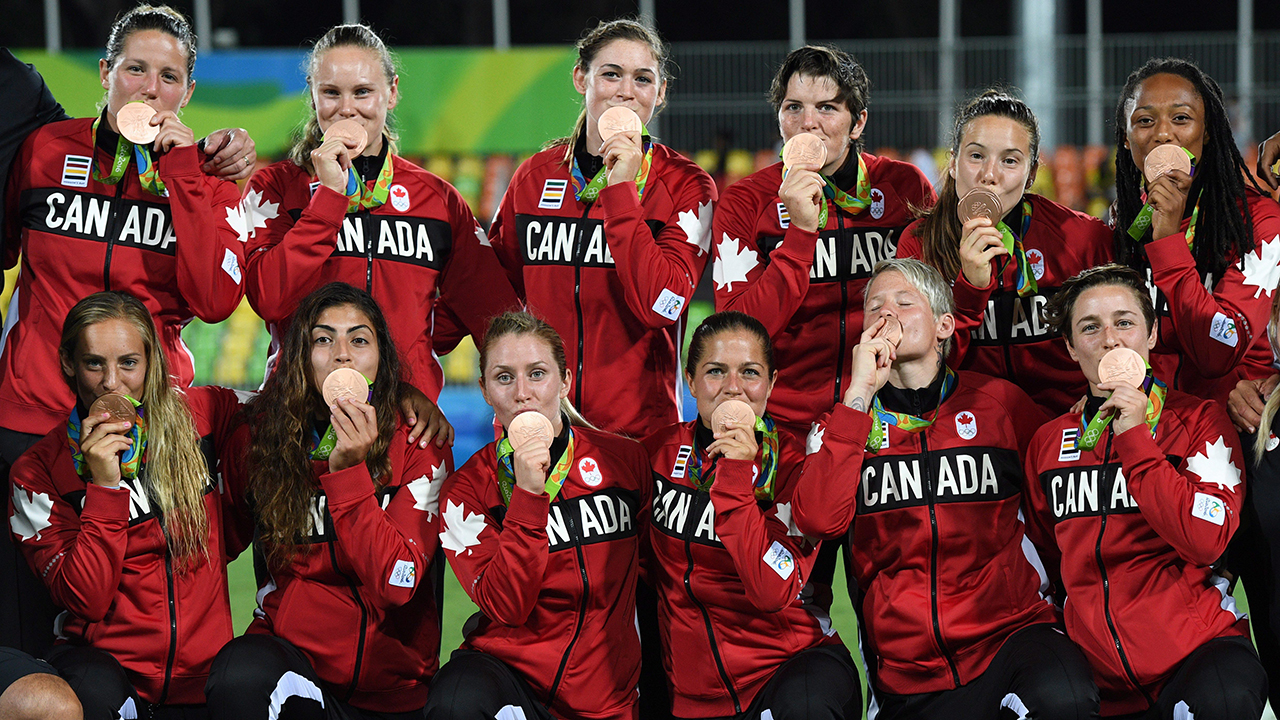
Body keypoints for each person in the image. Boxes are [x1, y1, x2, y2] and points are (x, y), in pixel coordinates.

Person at [0, 7, 256, 655]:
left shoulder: (205, 182)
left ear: (189, 93)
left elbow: (217, 297)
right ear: (105, 73)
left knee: (127, 639)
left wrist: (185, 176)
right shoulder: (46, 151)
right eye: (134, 68)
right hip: (31, 427)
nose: (149, 88)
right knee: (21, 631)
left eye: (169, 76)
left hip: (144, 434)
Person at [792, 258, 1099, 719]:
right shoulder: (842, 426)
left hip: (1013, 640)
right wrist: (858, 393)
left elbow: (1056, 512)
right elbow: (816, 518)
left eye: (903, 302)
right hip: (907, 671)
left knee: (1066, 698)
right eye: (874, 307)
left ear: (944, 326)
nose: (886, 316)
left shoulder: (1001, 405)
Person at [1024, 264, 1267, 718]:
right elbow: (1047, 561)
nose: (1111, 340)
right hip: (1096, 675)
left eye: (1124, 322)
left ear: (1151, 335)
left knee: (1226, 700)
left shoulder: (1200, 422)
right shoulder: (1048, 444)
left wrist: (1135, 436)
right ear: (1070, 347)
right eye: (1090, 328)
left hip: (1200, 654)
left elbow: (1206, 538)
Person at [204, 282, 451, 720]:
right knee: (237, 674)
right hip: (295, 670)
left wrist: (349, 476)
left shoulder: (417, 440)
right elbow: (212, 548)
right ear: (300, 356)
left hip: (394, 691)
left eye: (359, 339)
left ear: (380, 360)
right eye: (323, 339)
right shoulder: (260, 440)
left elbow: (398, 583)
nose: (342, 354)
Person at [241, 23, 517, 414]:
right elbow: (270, 299)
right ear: (313, 93)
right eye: (331, 92)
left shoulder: (437, 199)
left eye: (363, 92)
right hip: (297, 421)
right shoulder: (277, 186)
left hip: (408, 424)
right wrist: (329, 198)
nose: (347, 108)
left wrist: (417, 346)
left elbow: (495, 311)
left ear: (392, 92)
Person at [9, 291, 245, 719]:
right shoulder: (37, 474)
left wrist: (400, 396)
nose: (111, 383)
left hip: (202, 679)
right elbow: (89, 599)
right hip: (99, 677)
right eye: (94, 363)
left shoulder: (204, 418)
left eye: (128, 363)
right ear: (68, 365)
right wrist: (104, 488)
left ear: (152, 362)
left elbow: (289, 409)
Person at [487, 19, 717, 439]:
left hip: (641, 438)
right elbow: (494, 299)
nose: (626, 91)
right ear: (581, 78)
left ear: (660, 92)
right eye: (611, 74)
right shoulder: (534, 177)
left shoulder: (688, 187)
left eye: (643, 79)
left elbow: (658, 305)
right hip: (539, 429)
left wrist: (622, 192)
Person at [425, 312, 650, 720]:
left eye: (538, 374)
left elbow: (657, 571)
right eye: (504, 377)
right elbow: (507, 607)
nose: (522, 393)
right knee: (456, 697)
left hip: (608, 699)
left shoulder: (625, 461)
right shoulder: (466, 491)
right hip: (510, 684)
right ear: (485, 391)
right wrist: (528, 496)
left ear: (564, 381)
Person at [641, 311, 860, 719]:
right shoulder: (656, 454)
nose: (733, 389)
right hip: (694, 697)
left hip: (791, 671)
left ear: (772, 384)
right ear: (690, 382)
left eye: (750, 372)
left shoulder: (797, 468)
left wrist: (737, 472)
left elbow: (770, 590)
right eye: (715, 371)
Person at [711, 44, 936, 437]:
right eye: (793, 107)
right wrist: (800, 234)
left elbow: (933, 311)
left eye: (827, 108)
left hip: (889, 414)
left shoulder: (904, 187)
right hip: (784, 424)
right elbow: (738, 332)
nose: (808, 123)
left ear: (858, 122)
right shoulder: (745, 200)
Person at [896, 90, 1113, 415]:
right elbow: (917, 376)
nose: (989, 175)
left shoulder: (1083, 237)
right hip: (968, 432)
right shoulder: (919, 244)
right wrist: (969, 290)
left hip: (1067, 425)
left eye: (1010, 160)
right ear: (953, 163)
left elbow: (1118, 340)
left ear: (1033, 174)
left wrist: (1101, 392)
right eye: (976, 156)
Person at [1110, 58, 1280, 406]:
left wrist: (1169, 243)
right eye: (1144, 121)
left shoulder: (1260, 223)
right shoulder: (1123, 220)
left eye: (1181, 118)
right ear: (1127, 140)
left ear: (1206, 131)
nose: (1162, 133)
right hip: (1144, 419)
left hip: (1231, 423)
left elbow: (1217, 354)